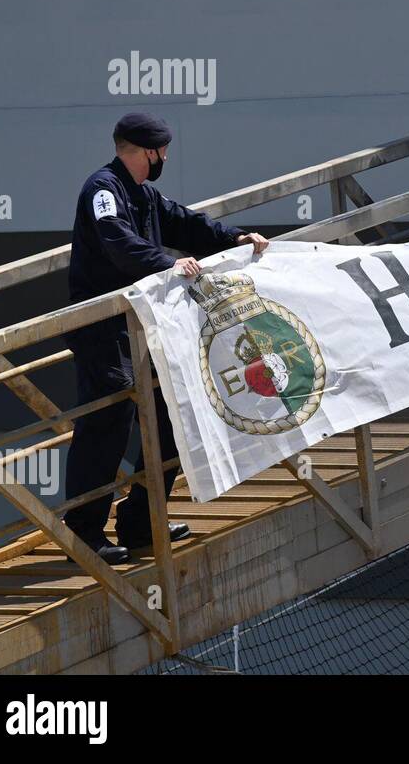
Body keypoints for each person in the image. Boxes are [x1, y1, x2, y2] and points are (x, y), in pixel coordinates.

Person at [63, 112, 269, 565]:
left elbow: (184, 223)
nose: (166, 158)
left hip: (141, 324)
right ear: (145, 151)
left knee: (171, 416)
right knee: (108, 422)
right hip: (104, 330)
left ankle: (141, 521)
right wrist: (165, 264)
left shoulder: (144, 194)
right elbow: (117, 241)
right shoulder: (103, 191)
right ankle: (82, 534)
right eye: (161, 151)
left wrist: (234, 238)